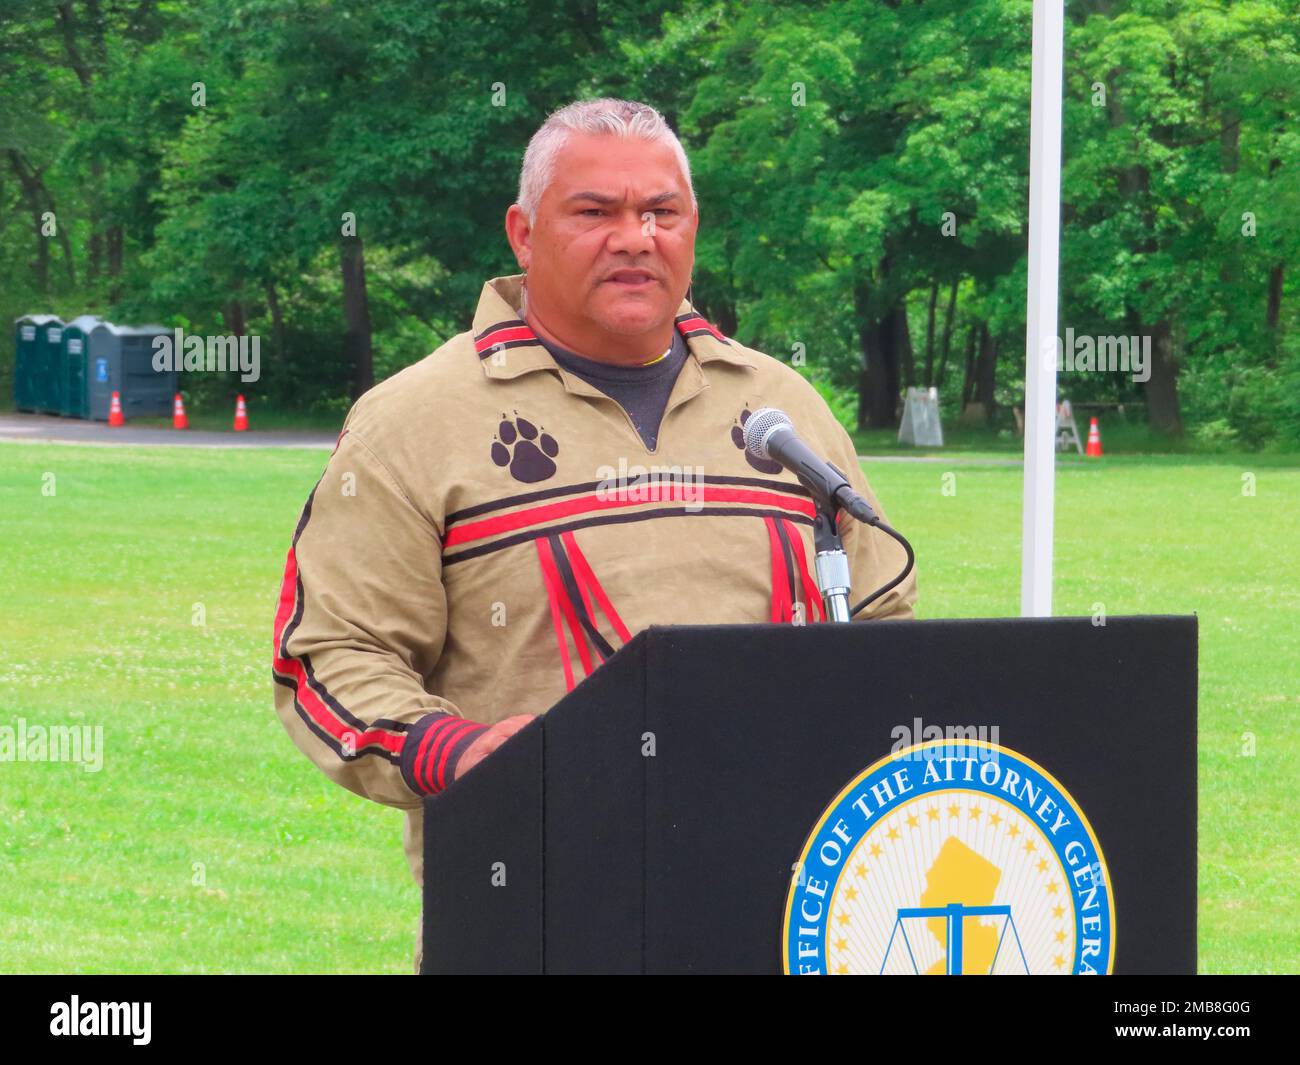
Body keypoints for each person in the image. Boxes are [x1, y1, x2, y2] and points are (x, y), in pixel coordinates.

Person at [271, 98, 918, 973]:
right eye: (595, 212)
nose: (635, 237)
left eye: (662, 212)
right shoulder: (411, 424)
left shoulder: (779, 407)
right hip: (536, 912)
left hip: (789, 905)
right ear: (523, 233)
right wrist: (454, 751)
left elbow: (880, 622)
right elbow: (332, 653)